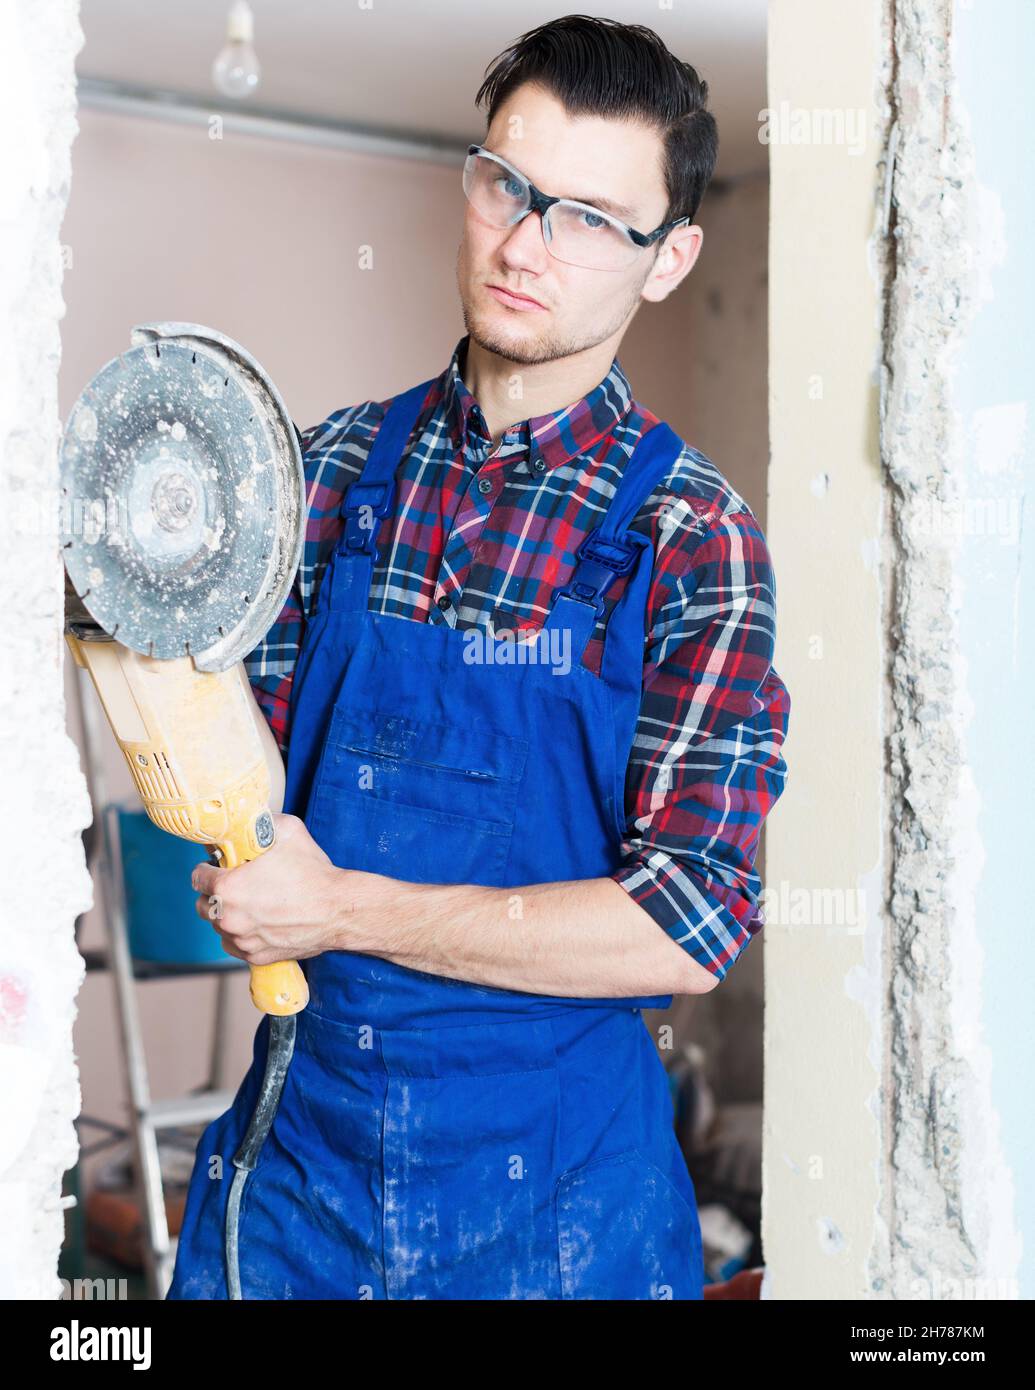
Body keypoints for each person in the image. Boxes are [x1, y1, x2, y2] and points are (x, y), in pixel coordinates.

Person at [168, 14, 790, 1301]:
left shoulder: (692, 542)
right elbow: (236, 783)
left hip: (563, 1226)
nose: (523, 245)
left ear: (669, 260)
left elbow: (687, 923)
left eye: (588, 219)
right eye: (508, 183)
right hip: (297, 1191)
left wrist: (338, 908)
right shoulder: (321, 474)